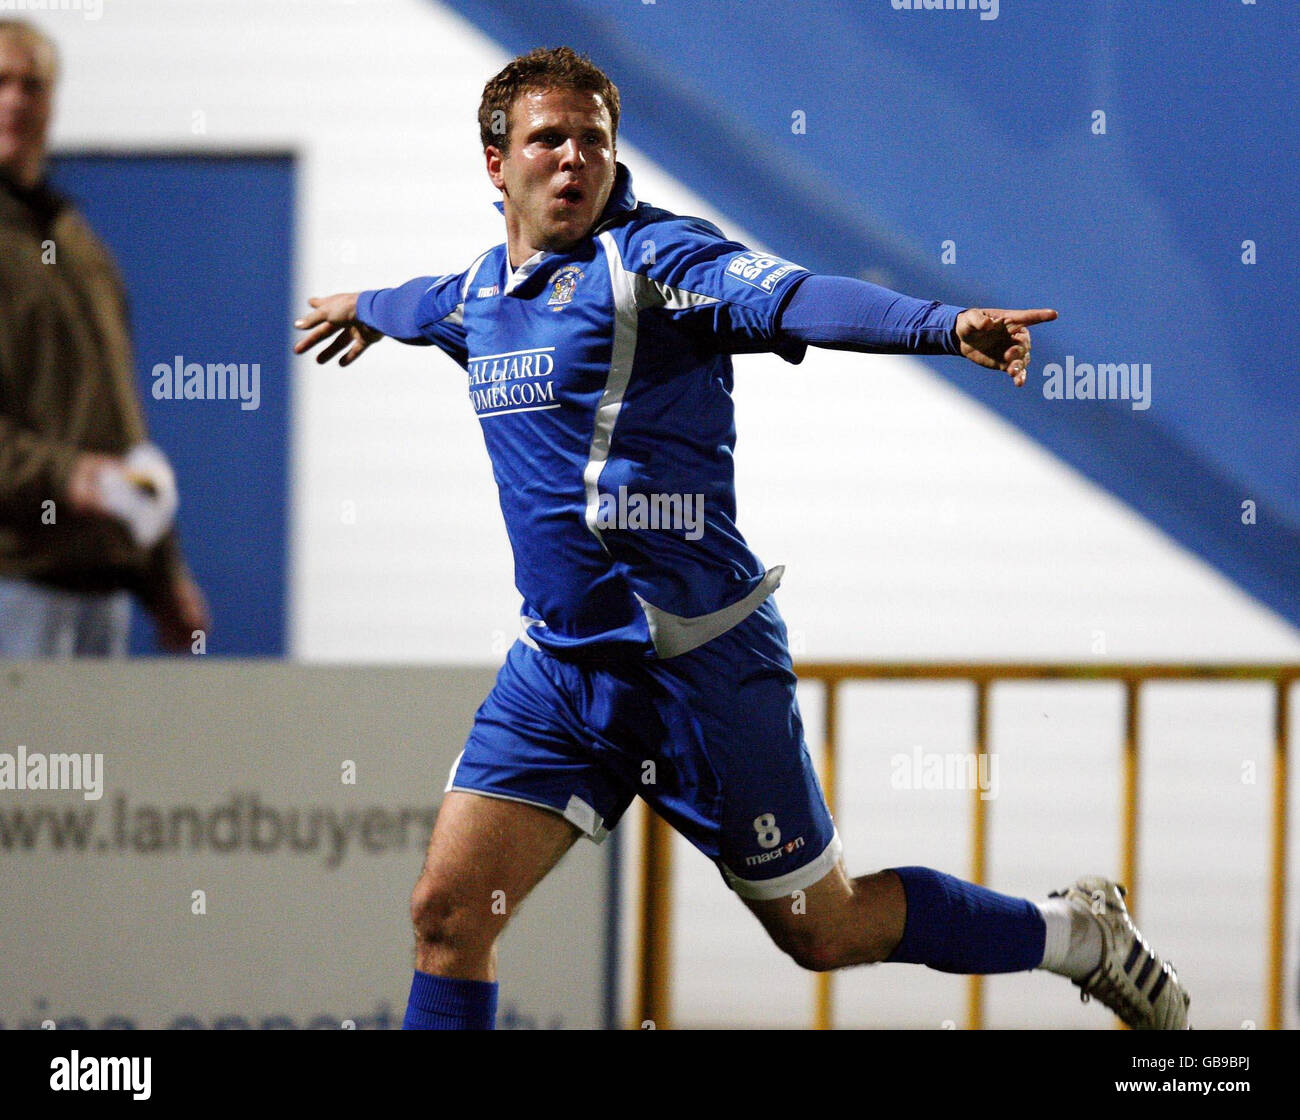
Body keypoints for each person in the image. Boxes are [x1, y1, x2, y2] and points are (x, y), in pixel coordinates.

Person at [295, 46, 1189, 1031]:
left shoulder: (656, 261)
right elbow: (416, 303)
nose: (573, 158)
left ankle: (1079, 935)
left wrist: (942, 324)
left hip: (698, 659)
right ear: (494, 163)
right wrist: (359, 309)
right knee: (448, 915)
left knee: (825, 929)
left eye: (592, 139)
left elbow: (795, 296)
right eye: (547, 139)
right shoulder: (474, 296)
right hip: (561, 670)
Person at [0, 20, 208, 657]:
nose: (15, 100)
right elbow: (84, 465)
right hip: (13, 578)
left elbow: (118, 420)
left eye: (31, 85)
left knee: (92, 759)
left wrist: (162, 571)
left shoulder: (78, 244)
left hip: (103, 588)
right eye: (0, 82)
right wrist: (69, 475)